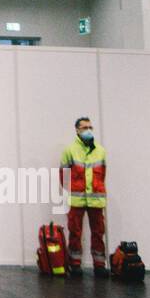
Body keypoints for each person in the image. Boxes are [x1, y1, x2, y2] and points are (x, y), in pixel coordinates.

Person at [60, 117, 107, 277]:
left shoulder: (100, 150)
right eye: (84, 127)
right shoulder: (70, 150)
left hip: (95, 199)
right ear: (77, 130)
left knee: (98, 232)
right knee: (75, 232)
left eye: (90, 127)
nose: (88, 130)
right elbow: (63, 176)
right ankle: (75, 264)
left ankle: (100, 265)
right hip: (76, 199)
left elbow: (102, 176)